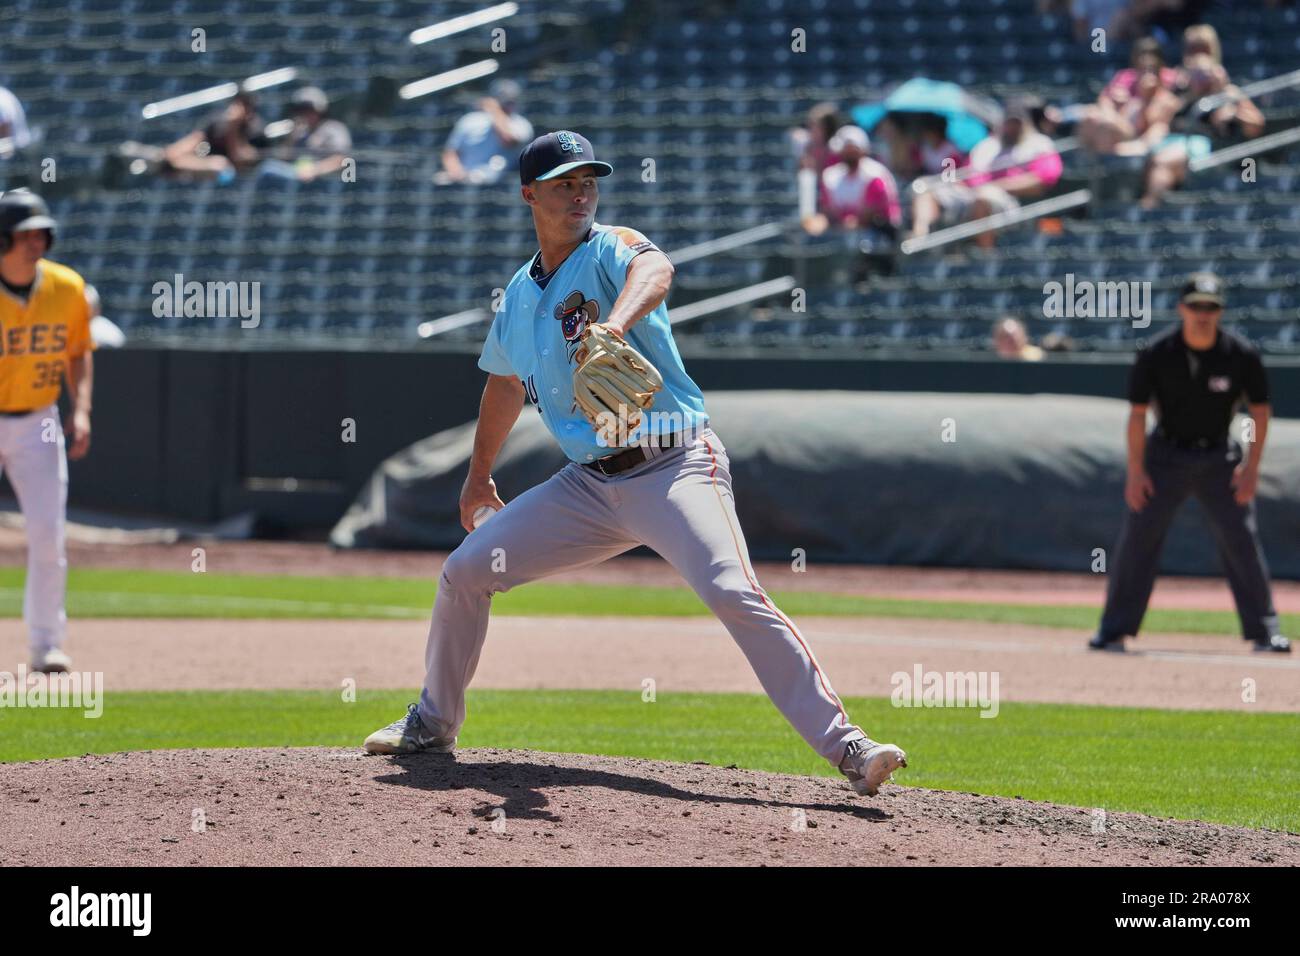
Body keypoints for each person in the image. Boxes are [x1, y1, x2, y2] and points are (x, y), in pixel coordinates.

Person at [364, 130, 909, 798]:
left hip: (676, 467)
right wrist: (479, 475)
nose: (581, 193)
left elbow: (657, 270)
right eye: (565, 183)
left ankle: (848, 747)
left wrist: (614, 326)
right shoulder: (518, 296)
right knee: (465, 572)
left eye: (588, 180)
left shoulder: (610, 247)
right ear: (529, 194)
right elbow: (504, 384)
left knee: (733, 591)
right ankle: (432, 721)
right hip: (588, 487)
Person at [1090, 273, 1290, 654]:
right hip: (1165, 454)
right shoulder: (1156, 353)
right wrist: (1136, 471)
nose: (1203, 314)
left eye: (1211, 307)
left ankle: (1266, 631)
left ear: (1220, 312)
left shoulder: (1240, 355)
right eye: (1196, 306)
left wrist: (1250, 468)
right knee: (1138, 539)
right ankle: (1113, 629)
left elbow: (1260, 413)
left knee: (1241, 541)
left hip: (1218, 456)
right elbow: (1136, 415)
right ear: (1182, 308)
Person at [0, 190, 96, 673]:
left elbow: (78, 351)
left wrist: (80, 410)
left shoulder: (67, 288)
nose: (36, 241)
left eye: (41, 232)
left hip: (39, 419)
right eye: (25, 233)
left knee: (47, 534)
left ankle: (45, 645)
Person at [910, 100, 1063, 249]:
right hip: (972, 194)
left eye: (1017, 123)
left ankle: (986, 257)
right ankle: (920, 240)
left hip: (1010, 200)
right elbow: (966, 175)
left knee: (983, 197)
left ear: (1025, 124)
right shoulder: (987, 146)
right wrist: (956, 183)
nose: (1012, 127)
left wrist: (998, 185)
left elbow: (1044, 179)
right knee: (925, 186)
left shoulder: (1038, 144)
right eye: (1009, 122)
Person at [802, 125, 901, 237]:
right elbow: (828, 212)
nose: (849, 152)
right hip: (843, 234)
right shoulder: (830, 176)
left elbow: (869, 215)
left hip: (880, 233)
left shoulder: (875, 174)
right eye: (846, 148)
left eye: (852, 148)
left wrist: (848, 223)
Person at [438, 79, 533, 185]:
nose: (506, 104)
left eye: (510, 101)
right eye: (503, 100)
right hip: (463, 179)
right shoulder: (470, 119)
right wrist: (456, 173)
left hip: (497, 185)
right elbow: (451, 153)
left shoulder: (521, 124)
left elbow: (508, 140)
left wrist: (494, 111)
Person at [163, 90, 266, 182]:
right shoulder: (217, 121)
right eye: (236, 103)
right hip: (201, 161)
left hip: (229, 175)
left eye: (243, 105)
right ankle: (175, 164)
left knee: (219, 164)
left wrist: (233, 127)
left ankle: (176, 164)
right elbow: (194, 140)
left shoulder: (256, 130)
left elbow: (239, 159)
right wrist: (172, 154)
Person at [258, 86, 352, 183]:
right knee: (268, 167)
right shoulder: (299, 131)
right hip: (296, 176)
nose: (303, 113)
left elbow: (342, 159)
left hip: (324, 178)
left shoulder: (334, 128)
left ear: (319, 109)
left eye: (308, 109)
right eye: (300, 110)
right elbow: (282, 158)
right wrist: (292, 137)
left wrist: (315, 170)